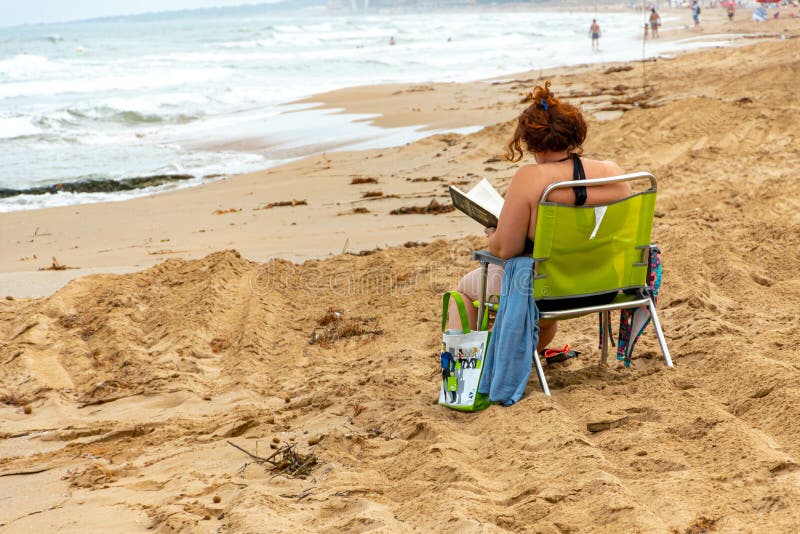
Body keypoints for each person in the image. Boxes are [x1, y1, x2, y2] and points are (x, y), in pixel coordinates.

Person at [446, 82, 630, 352]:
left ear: (534, 144)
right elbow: (599, 206)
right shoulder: (613, 173)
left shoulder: (530, 179)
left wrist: (494, 232)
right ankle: (525, 358)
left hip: (547, 294)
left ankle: (468, 371)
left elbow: (505, 249)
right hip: (604, 286)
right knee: (540, 298)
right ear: (573, 135)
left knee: (462, 293)